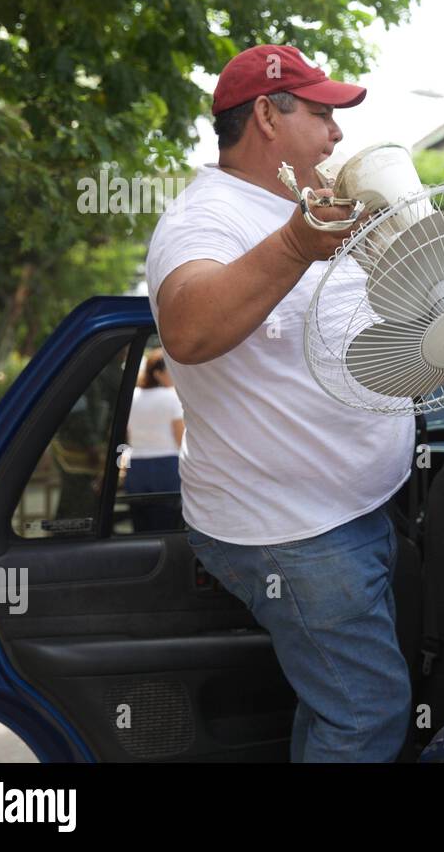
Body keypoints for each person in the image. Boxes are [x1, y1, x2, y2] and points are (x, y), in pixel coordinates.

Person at [145, 44, 414, 762]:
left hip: (352, 511)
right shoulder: (207, 218)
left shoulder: (308, 209)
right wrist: (298, 241)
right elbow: (191, 327)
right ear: (267, 114)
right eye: (324, 113)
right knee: (365, 717)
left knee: (334, 708)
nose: (338, 134)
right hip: (295, 532)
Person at [123, 349, 185, 532]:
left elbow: (124, 436)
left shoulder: (131, 397)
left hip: (136, 467)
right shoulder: (172, 396)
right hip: (167, 466)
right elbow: (180, 438)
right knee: (167, 528)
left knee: (140, 527)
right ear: (157, 374)